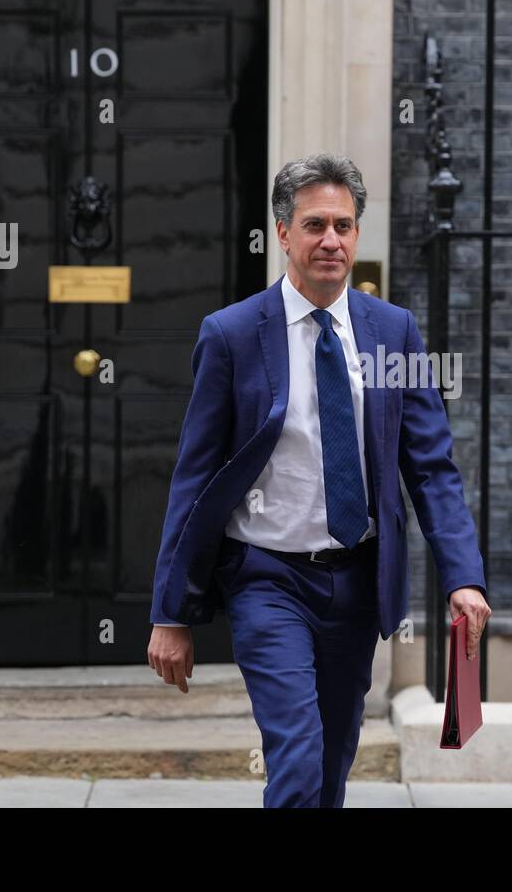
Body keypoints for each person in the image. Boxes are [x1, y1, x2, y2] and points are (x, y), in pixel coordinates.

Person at [147, 152, 490, 807]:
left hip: (356, 583)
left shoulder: (393, 333)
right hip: (267, 579)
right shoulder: (233, 336)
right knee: (299, 762)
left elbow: (431, 466)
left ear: (357, 233)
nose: (331, 239)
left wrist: (464, 577)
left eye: (343, 224)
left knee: (332, 766)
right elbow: (193, 479)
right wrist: (171, 613)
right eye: (314, 225)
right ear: (283, 233)